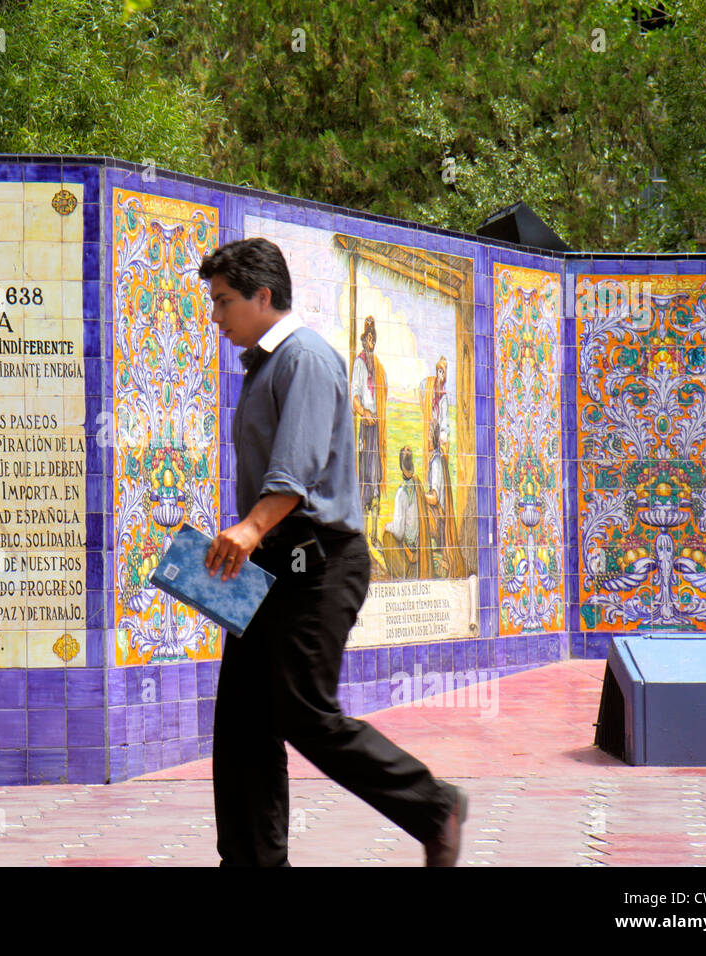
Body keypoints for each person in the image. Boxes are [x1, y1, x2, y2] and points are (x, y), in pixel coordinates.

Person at [199, 237, 467, 867]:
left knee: (303, 711)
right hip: (268, 565)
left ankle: (433, 806)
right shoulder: (264, 364)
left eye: (224, 301)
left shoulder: (306, 359)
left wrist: (247, 529)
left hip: (317, 564)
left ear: (264, 296)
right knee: (240, 724)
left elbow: (294, 473)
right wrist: (247, 543)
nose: (217, 317)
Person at [419, 356, 467, 579]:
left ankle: (438, 557)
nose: (439, 376)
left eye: (442, 373)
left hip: (437, 517)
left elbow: (435, 498)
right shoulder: (431, 391)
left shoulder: (437, 463)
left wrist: (419, 493)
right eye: (438, 372)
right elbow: (421, 390)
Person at [351, 320, 388, 545]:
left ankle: (374, 535)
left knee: (375, 479)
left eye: (374, 337)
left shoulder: (378, 367)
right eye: (368, 337)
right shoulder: (359, 363)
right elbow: (354, 396)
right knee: (365, 479)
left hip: (377, 430)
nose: (371, 341)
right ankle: (363, 535)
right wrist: (364, 412)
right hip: (366, 428)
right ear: (364, 340)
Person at [381, 446, 425, 580]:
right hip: (418, 540)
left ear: (401, 465)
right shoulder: (418, 485)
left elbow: (399, 532)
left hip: (409, 543)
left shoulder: (402, 492)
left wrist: (386, 527)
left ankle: (402, 571)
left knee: (387, 536)